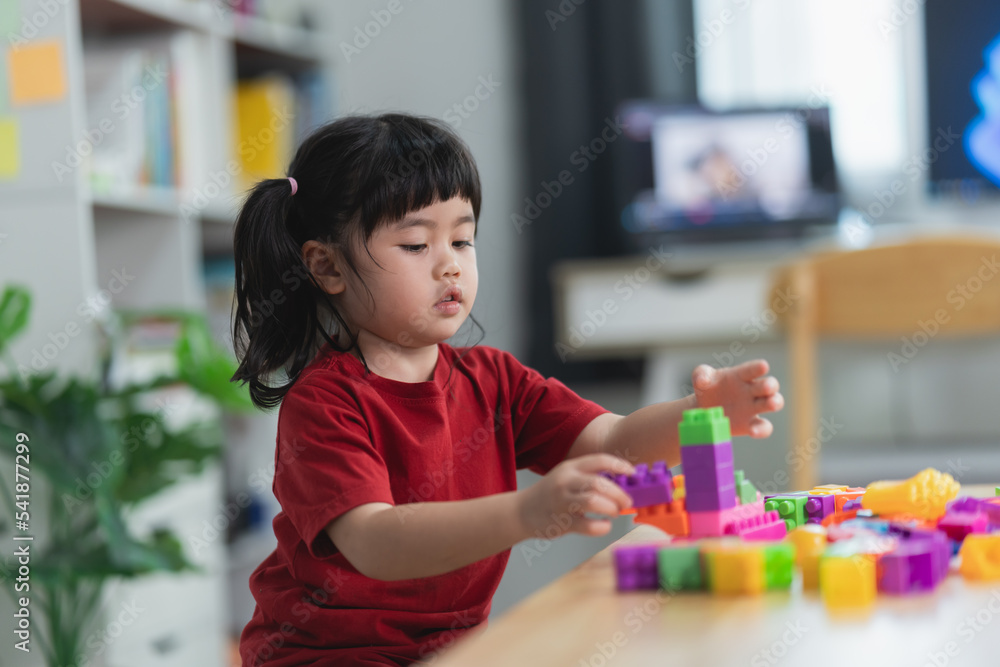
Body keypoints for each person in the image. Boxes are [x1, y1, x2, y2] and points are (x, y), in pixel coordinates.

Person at [231, 113, 784, 666]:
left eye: (463, 240)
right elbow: (376, 541)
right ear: (328, 267)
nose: (450, 265)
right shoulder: (324, 404)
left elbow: (613, 443)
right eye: (416, 245)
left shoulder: (494, 380)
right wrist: (528, 511)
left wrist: (701, 413)